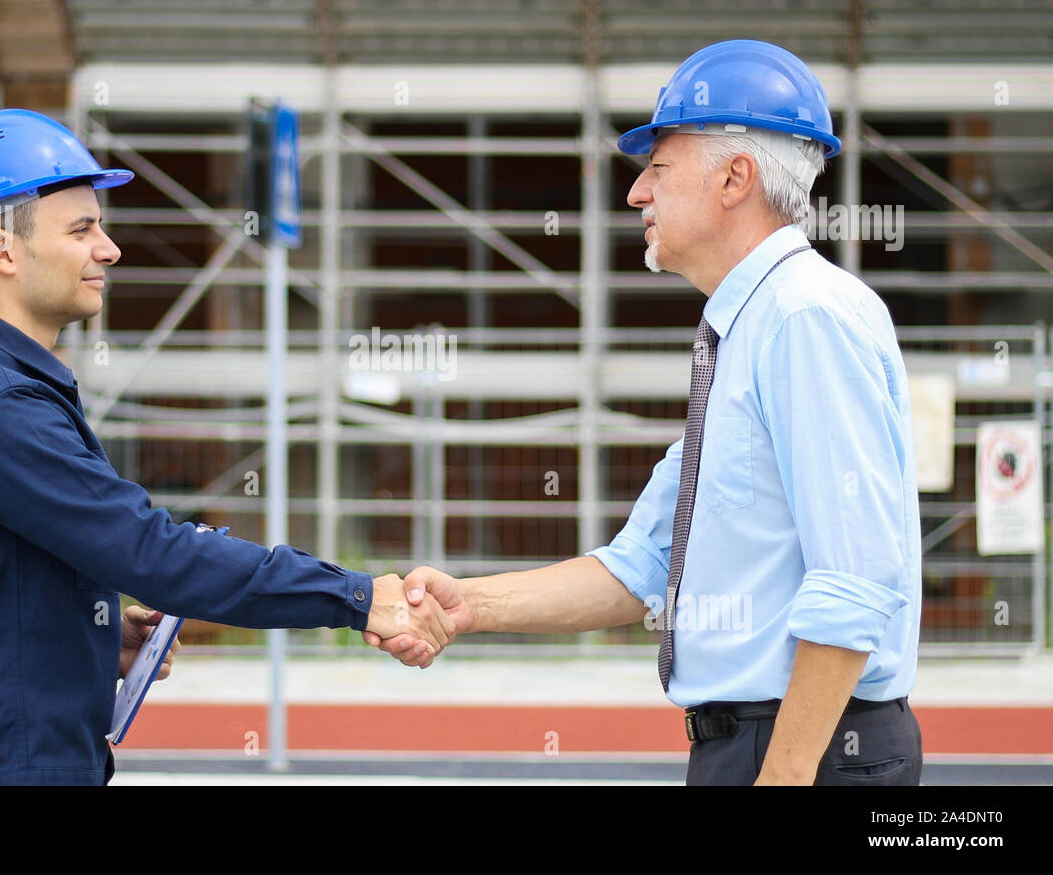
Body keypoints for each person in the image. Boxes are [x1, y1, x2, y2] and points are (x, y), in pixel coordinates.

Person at [368, 40, 923, 786]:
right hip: (763, 744)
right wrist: (468, 604)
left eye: (657, 168)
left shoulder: (803, 317)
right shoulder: (750, 328)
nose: (636, 194)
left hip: (804, 751)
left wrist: (785, 774)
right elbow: (642, 565)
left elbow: (856, 577)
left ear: (735, 177)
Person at [0, 108, 454, 785]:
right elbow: (152, 552)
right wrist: (354, 596)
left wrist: (88, 632)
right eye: (82, 228)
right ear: (3, 250)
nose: (109, 248)